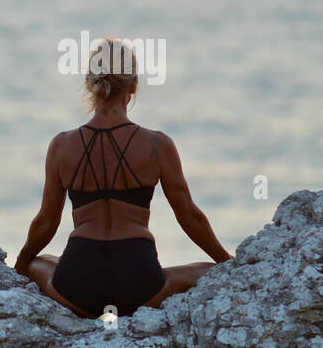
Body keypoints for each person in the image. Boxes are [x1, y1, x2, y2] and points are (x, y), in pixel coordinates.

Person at [14, 36, 232, 318]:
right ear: (133, 84)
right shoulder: (158, 145)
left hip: (78, 282)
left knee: (40, 263)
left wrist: (20, 266)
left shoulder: (62, 145)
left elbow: (46, 222)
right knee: (207, 272)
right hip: (138, 284)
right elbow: (190, 216)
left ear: (90, 83)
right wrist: (229, 264)